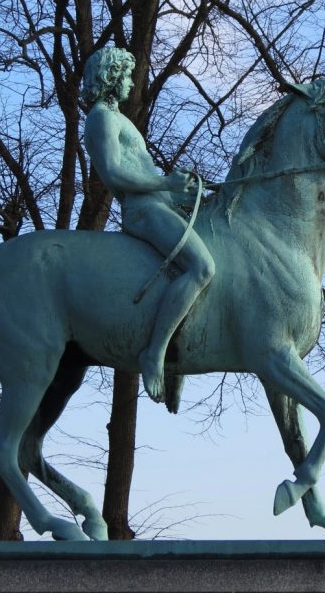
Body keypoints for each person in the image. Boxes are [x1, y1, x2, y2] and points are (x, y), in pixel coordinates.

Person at [81, 46, 215, 406]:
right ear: (111, 77)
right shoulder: (101, 118)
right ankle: (154, 355)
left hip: (158, 205)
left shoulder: (117, 119)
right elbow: (113, 173)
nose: (130, 82)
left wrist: (183, 194)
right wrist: (165, 184)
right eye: (125, 75)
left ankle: (176, 361)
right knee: (202, 268)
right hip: (142, 210)